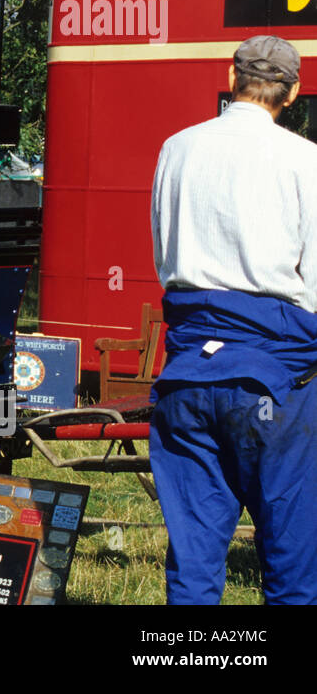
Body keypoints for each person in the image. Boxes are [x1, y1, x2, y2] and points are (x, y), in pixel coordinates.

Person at [149, 34, 317, 605]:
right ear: (292, 92)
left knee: (194, 557)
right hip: (277, 376)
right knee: (290, 554)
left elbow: (162, 254)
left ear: (231, 75)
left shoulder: (176, 147)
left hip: (188, 367)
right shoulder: (305, 159)